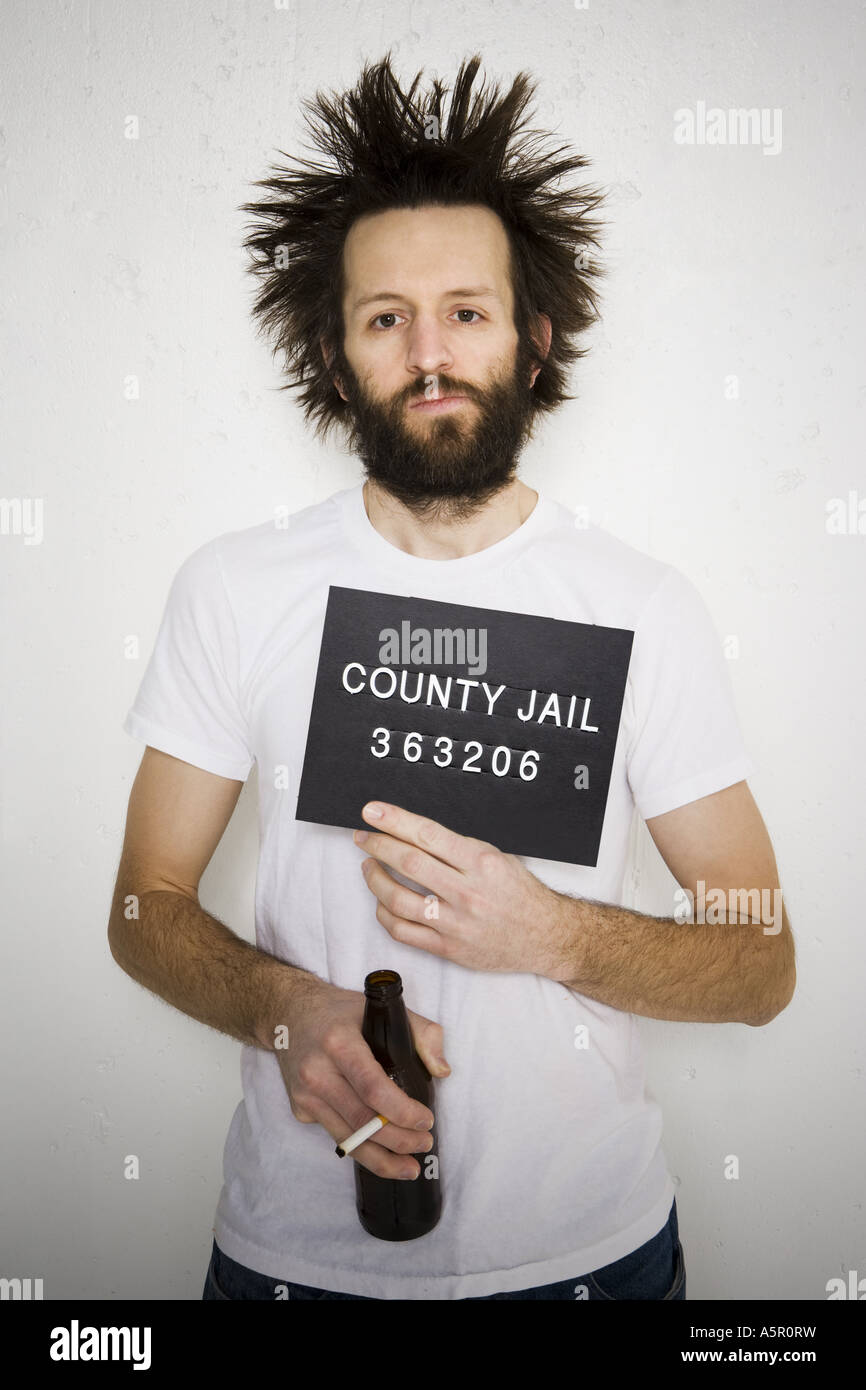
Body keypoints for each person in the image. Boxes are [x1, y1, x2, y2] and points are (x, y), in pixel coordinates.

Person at [108, 53, 796, 1301]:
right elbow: (142, 908)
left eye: (466, 312)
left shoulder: (639, 606)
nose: (429, 354)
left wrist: (555, 935)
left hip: (592, 1261)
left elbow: (760, 961)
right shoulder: (233, 588)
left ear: (531, 341)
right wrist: (286, 1012)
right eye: (386, 319)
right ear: (335, 354)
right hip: (290, 1263)